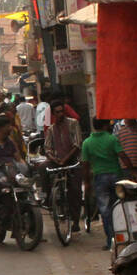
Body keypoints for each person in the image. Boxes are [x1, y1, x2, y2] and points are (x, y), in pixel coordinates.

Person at [81, 122, 128, 251]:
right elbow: (122, 155)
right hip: (115, 176)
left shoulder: (87, 143)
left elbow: (85, 165)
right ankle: (123, 238)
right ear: (105, 125)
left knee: (105, 211)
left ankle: (110, 241)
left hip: (99, 178)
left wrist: (87, 182)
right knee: (119, 207)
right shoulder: (112, 139)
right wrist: (132, 170)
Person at [44, 96, 85, 228]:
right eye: (57, 112)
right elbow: (47, 148)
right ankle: (48, 198)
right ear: (53, 114)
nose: (60, 114)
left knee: (75, 190)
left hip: (73, 161)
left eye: (62, 111)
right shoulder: (51, 129)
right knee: (42, 169)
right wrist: (53, 158)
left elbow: (77, 144)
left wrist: (65, 159)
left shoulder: (73, 123)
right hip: (58, 162)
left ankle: (76, 220)